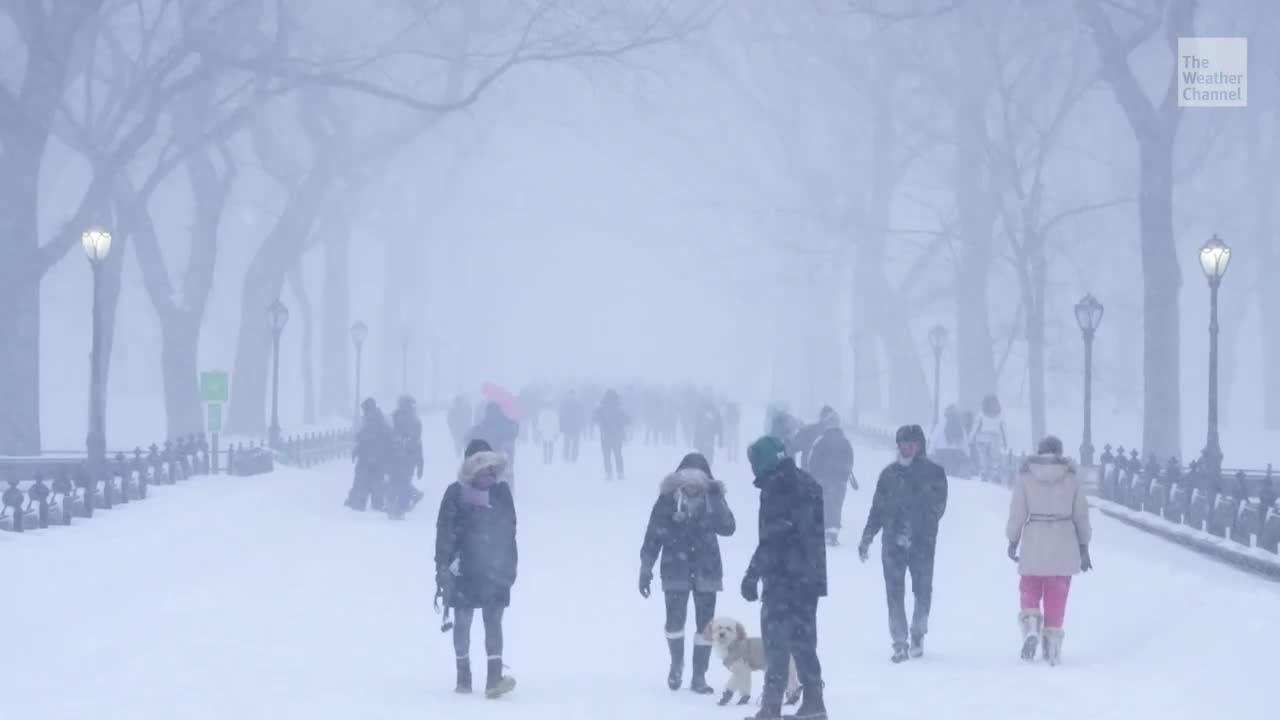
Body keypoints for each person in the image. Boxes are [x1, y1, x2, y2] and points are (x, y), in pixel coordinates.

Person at [740, 436, 827, 720]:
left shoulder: (776, 488)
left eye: (754, 464)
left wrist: (753, 574)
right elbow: (802, 532)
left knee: (776, 641)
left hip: (782, 577)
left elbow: (774, 537)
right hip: (809, 577)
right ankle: (814, 700)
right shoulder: (809, 483)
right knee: (804, 639)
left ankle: (771, 706)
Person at [639, 452, 735, 693]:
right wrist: (646, 566)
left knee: (706, 625)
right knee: (674, 622)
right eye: (687, 479)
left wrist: (716, 500)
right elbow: (653, 534)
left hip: (707, 569)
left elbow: (728, 528)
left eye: (698, 480)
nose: (692, 485)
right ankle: (677, 664)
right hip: (675, 568)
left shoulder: (713, 499)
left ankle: (699, 676)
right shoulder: (667, 500)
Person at [435, 439, 518, 698]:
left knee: (493, 621)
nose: (486, 471)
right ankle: (463, 676)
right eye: (480, 464)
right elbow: (445, 531)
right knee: (462, 621)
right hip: (464, 569)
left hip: (495, 567)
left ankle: (494, 678)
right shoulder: (454, 493)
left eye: (489, 465)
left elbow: (510, 527)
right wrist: (443, 566)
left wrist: (508, 564)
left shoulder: (501, 492)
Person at [858, 424, 948, 663]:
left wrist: (918, 525)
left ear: (920, 445)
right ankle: (899, 640)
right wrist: (868, 535)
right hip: (892, 542)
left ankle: (918, 633)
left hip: (922, 543)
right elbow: (877, 508)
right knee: (894, 593)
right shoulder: (888, 475)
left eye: (912, 443)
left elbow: (938, 508)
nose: (907, 447)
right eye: (903, 443)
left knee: (922, 591)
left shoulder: (935, 473)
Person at [1006, 435, 1093, 665]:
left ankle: (1032, 624)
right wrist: (1084, 545)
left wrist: (1013, 540)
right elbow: (1081, 514)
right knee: (1057, 592)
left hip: (1035, 534)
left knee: (1029, 586)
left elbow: (1017, 512)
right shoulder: (1071, 477)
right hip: (1064, 539)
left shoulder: (1026, 476)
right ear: (1060, 452)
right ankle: (1052, 645)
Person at [806, 410, 856, 546]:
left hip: (822, 479)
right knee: (836, 505)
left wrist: (813, 475)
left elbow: (812, 460)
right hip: (839, 480)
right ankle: (832, 533)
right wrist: (844, 477)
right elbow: (850, 460)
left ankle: (822, 529)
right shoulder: (845, 442)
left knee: (823, 503)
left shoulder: (820, 440)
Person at [346, 398, 391, 511]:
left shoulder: (376, 421)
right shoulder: (371, 420)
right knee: (367, 481)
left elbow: (372, 439)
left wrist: (373, 455)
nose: (364, 412)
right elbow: (363, 439)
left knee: (367, 481)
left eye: (365, 410)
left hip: (373, 458)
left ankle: (364, 504)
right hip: (369, 458)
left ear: (370, 409)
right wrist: (357, 449)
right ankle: (364, 503)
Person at [387, 395, 426, 520]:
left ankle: (396, 507)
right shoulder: (412, 421)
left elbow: (416, 442)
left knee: (398, 482)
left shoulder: (396, 419)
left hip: (400, 457)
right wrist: (420, 462)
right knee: (401, 482)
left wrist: (420, 462)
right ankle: (398, 507)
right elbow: (417, 443)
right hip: (404, 458)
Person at [469, 403, 520, 492]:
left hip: (491, 450)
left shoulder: (485, 422)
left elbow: (476, 433)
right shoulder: (505, 420)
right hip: (504, 449)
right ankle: (511, 490)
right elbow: (513, 432)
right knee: (508, 470)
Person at [970, 395, 1007, 482]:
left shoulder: (981, 413)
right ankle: (994, 473)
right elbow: (1004, 430)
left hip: (981, 437)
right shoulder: (1000, 415)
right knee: (994, 457)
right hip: (995, 438)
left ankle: (984, 472)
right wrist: (1005, 442)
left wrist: (971, 438)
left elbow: (975, 427)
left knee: (983, 456)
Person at [594, 389, 629, 481]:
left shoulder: (601, 409)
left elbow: (595, 419)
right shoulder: (619, 408)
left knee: (606, 456)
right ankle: (620, 473)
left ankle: (609, 473)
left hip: (605, 436)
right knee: (618, 455)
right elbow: (625, 421)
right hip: (616, 436)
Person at [693, 399, 724, 466]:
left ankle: (702, 467)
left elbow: (697, 427)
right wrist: (720, 440)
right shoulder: (715, 413)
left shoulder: (701, 412)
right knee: (709, 455)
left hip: (701, 438)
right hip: (710, 438)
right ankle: (708, 467)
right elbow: (720, 427)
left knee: (701, 454)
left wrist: (695, 440)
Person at [559, 391, 585, 463]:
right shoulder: (578, 404)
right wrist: (582, 425)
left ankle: (567, 456)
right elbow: (582, 416)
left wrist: (561, 427)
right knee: (574, 443)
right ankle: (573, 457)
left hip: (569, 427)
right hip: (575, 427)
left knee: (568, 443)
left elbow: (562, 416)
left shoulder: (565, 404)